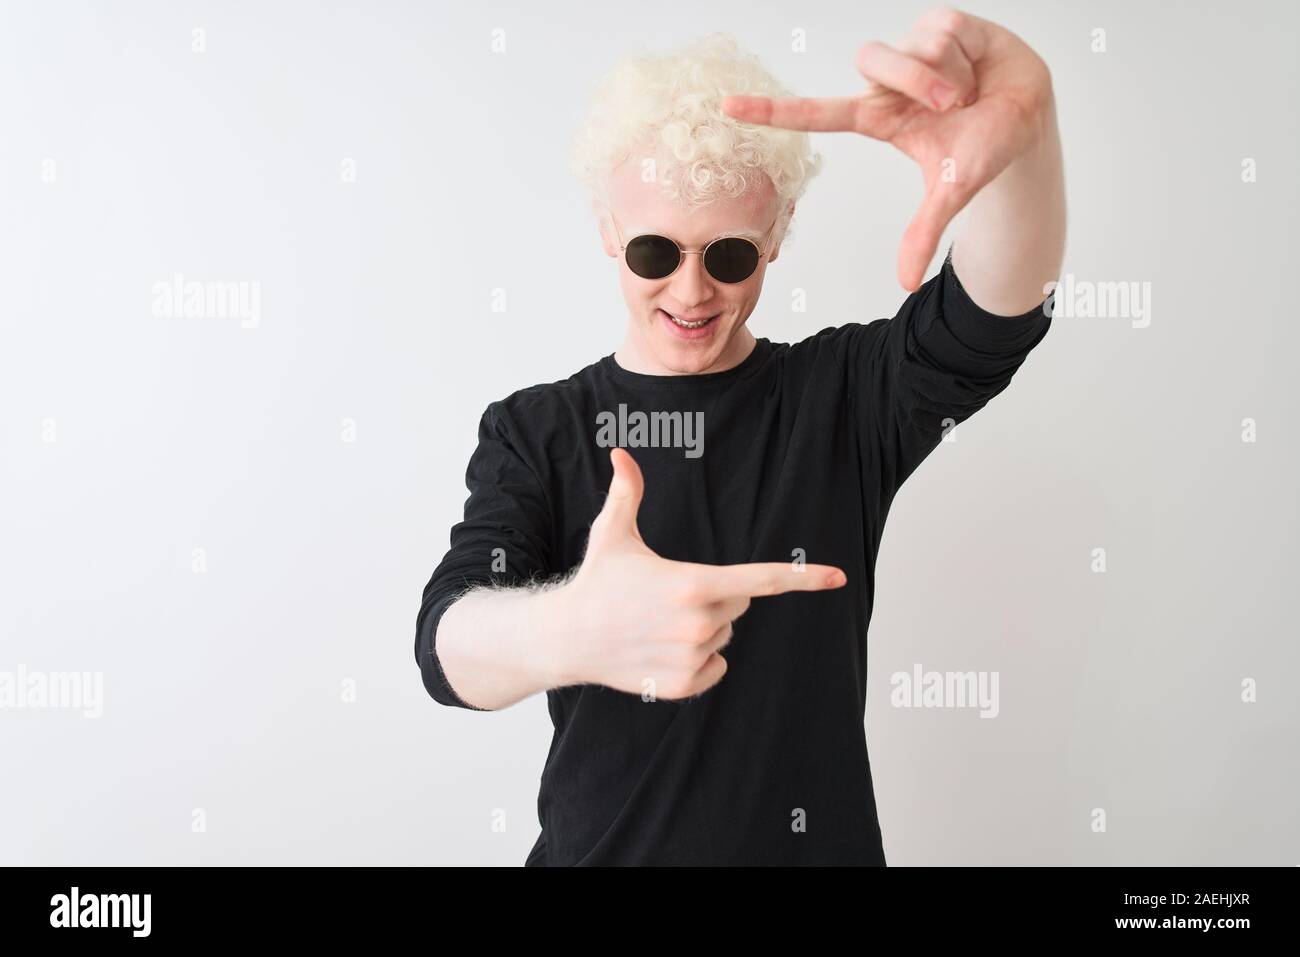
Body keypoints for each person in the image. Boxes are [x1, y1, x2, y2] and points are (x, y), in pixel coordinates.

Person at [416, 7, 1065, 866]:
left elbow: (992, 315)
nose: (691, 290)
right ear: (608, 231)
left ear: (778, 235)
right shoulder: (536, 430)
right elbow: (446, 647)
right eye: (655, 250)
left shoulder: (840, 398)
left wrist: (1023, 143)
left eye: (729, 255)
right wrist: (576, 627)